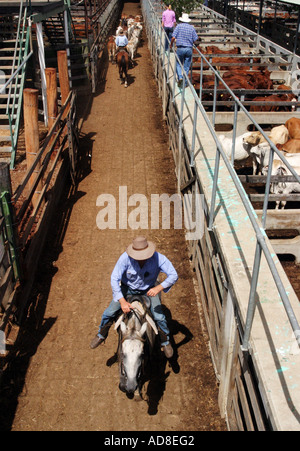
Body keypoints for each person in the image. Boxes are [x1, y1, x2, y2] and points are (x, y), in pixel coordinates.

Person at [90, 236, 178, 359]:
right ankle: (101, 334)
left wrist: (158, 288)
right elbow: (114, 278)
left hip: (148, 290)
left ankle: (165, 341)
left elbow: (173, 275)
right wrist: (122, 301)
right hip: (127, 289)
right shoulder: (125, 258)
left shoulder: (158, 258)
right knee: (108, 313)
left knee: (159, 317)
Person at [170, 13, 198, 88]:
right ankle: (185, 83)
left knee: (178, 63)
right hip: (189, 49)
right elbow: (195, 39)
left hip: (180, 48)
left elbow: (173, 37)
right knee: (186, 66)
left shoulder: (178, 26)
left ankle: (180, 77)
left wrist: (171, 44)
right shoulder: (191, 28)